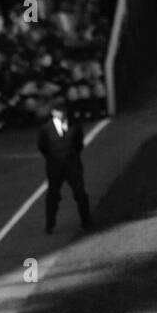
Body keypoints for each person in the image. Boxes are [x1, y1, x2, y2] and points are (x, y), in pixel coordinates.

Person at [36, 98, 92, 233]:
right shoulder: (45, 129)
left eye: (64, 111)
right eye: (59, 111)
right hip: (55, 168)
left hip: (72, 166)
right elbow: (42, 147)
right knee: (53, 195)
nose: (63, 113)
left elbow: (79, 144)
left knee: (80, 193)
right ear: (53, 113)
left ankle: (87, 222)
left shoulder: (75, 126)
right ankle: (50, 223)